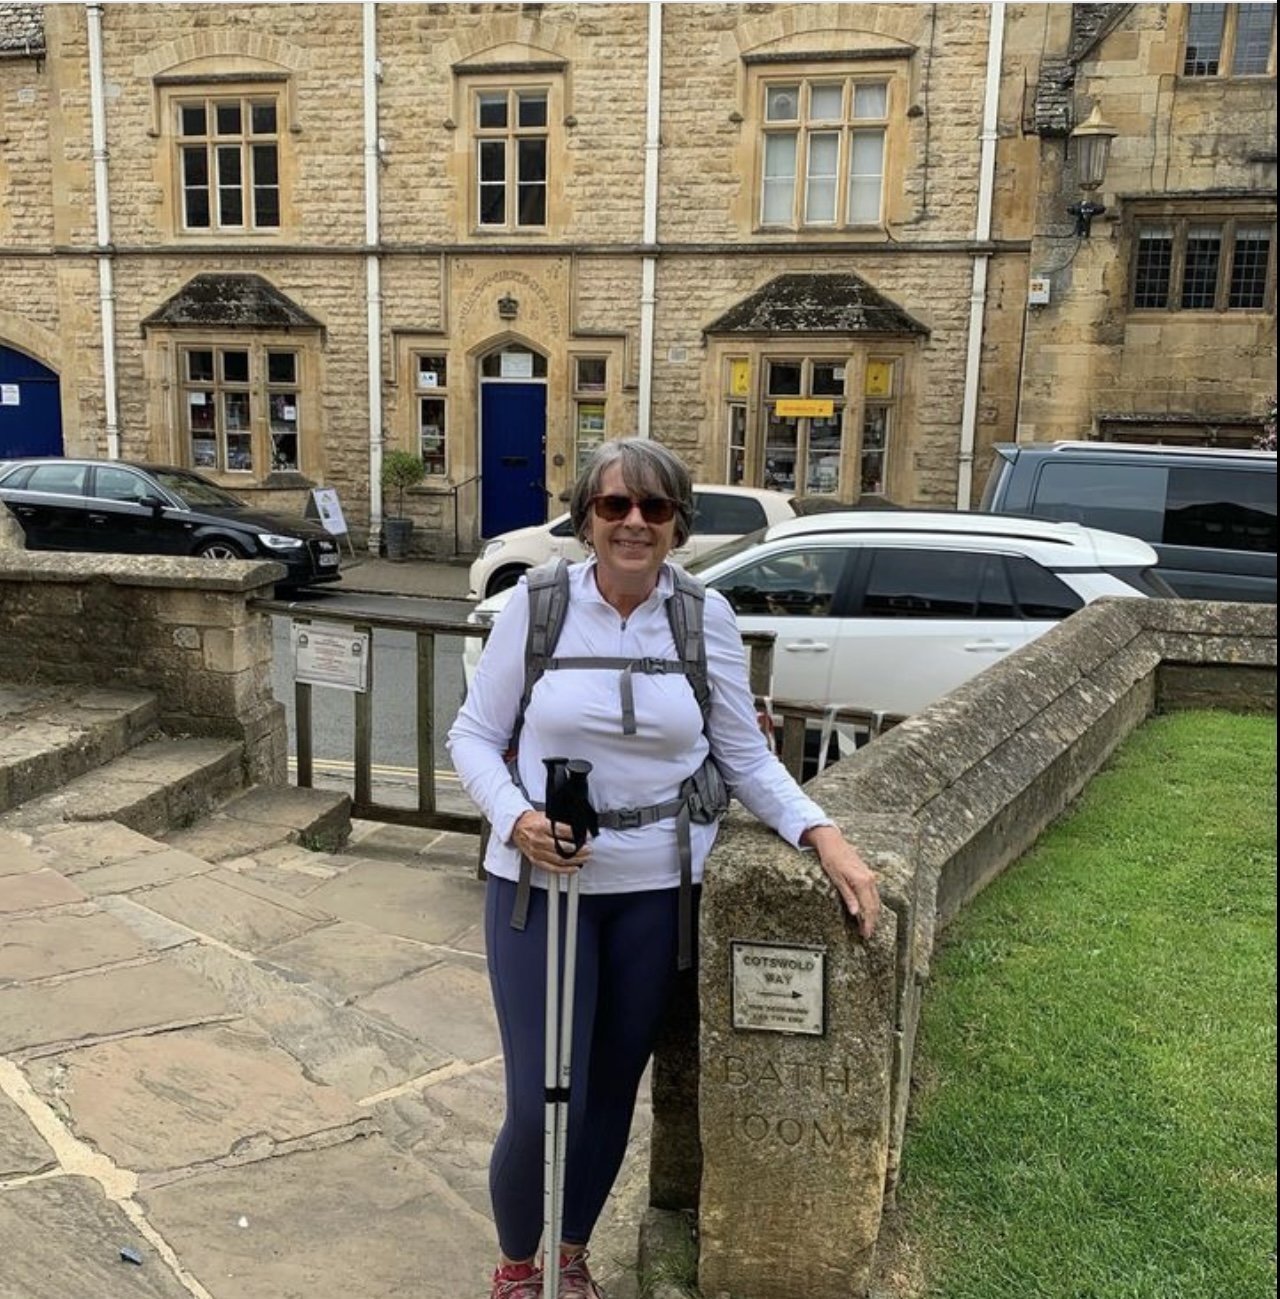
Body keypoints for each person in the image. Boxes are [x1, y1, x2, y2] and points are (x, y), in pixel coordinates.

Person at [448, 438, 881, 1299]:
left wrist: (821, 832)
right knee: (541, 1100)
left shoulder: (700, 616)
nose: (635, 523)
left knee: (611, 1089)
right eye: (614, 507)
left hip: (655, 890)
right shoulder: (536, 607)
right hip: (540, 886)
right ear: (586, 519)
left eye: (654, 508)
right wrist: (518, 817)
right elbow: (471, 735)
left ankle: (571, 1254)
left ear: (678, 522)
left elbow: (743, 756)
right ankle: (516, 1266)